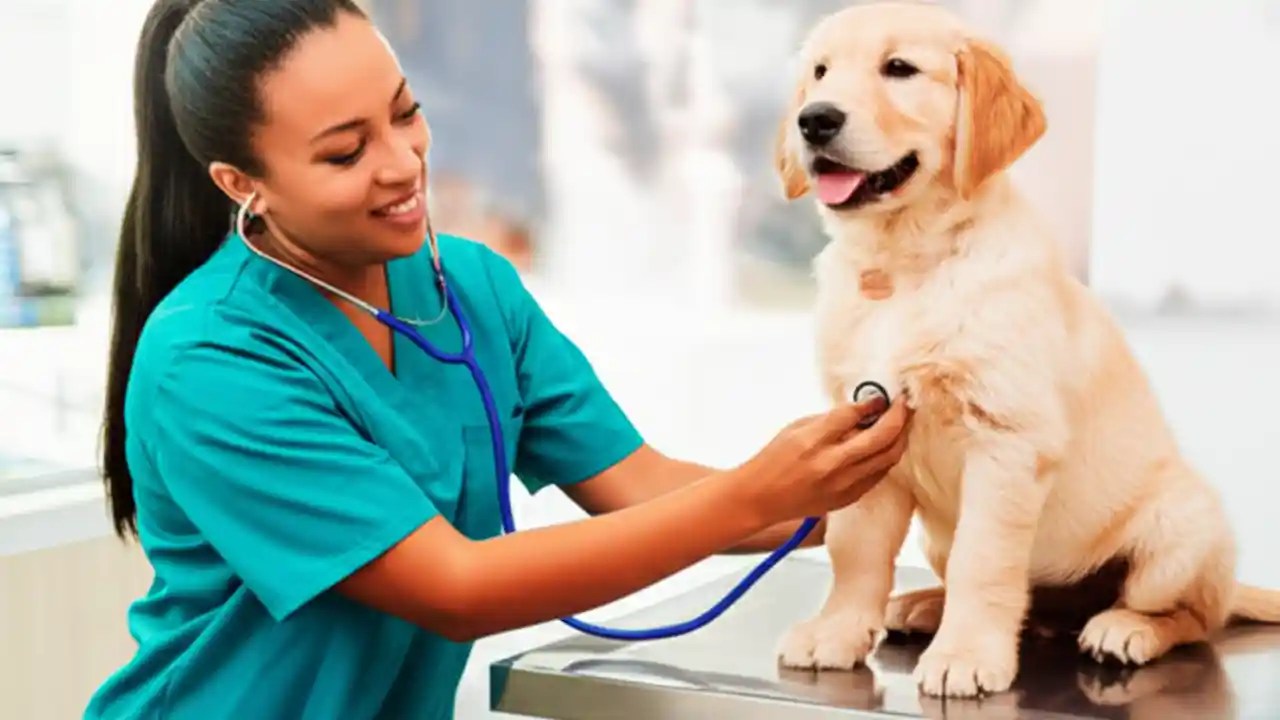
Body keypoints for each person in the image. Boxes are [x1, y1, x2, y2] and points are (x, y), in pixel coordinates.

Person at [86, 1, 912, 718]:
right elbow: (455, 588)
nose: (404, 163)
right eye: (345, 153)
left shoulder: (469, 286)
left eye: (405, 113)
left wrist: (908, 495)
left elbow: (641, 485)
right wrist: (756, 494)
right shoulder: (210, 359)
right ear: (241, 183)